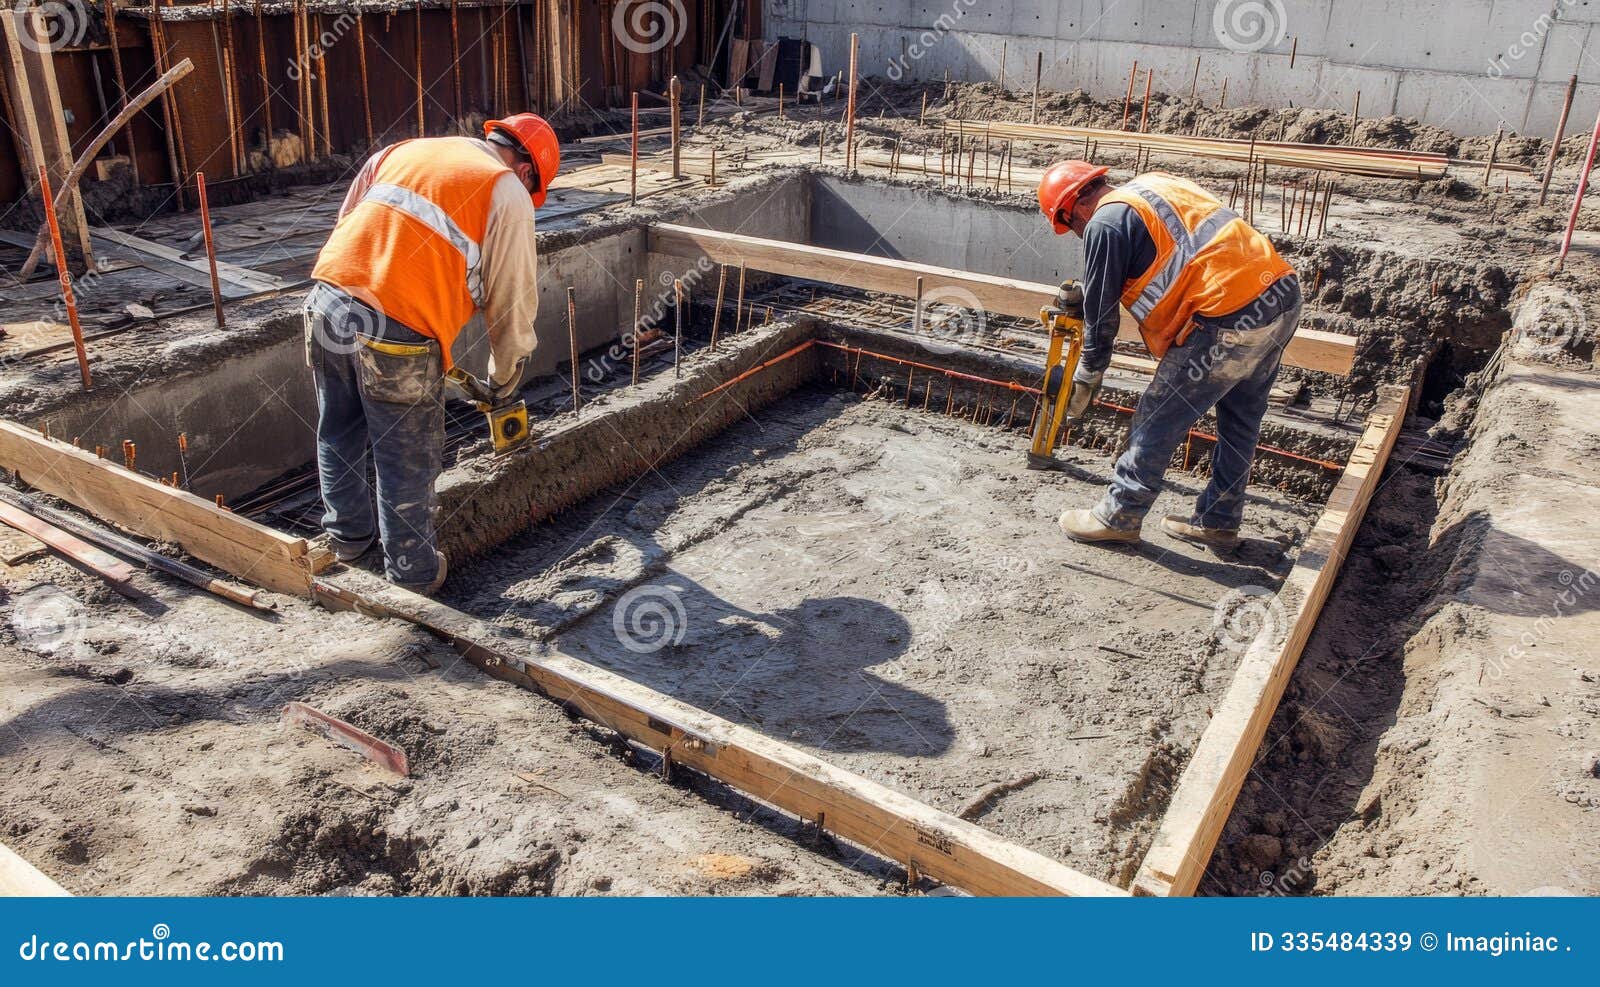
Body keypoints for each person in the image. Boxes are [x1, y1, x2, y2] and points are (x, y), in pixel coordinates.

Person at [304, 113, 558, 592]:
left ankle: (349, 543)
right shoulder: (507, 191)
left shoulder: (402, 151)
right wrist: (504, 377)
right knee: (407, 455)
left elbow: (349, 225)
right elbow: (512, 302)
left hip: (327, 300)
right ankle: (412, 575)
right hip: (397, 329)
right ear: (528, 171)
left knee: (338, 428)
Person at [1036, 160, 1302, 550]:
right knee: (1240, 418)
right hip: (1280, 295)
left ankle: (1119, 515)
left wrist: (1089, 373)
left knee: (1158, 414)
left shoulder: (1104, 225)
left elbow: (1102, 313)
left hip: (1228, 315)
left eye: (1069, 226)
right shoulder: (1154, 185)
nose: (1077, 234)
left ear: (1072, 208)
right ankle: (1219, 521)